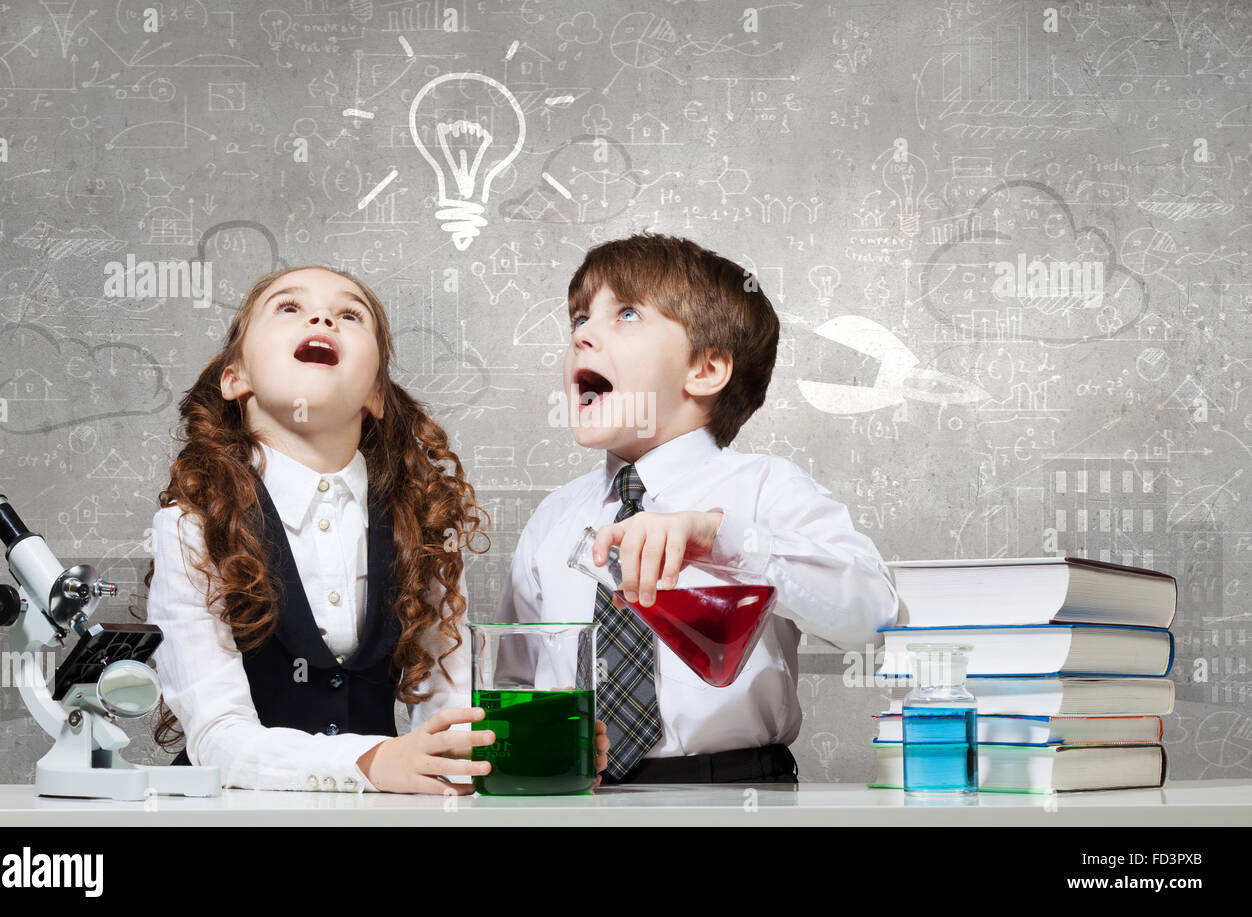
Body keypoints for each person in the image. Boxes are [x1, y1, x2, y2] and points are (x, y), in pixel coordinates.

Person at [145, 264, 607, 794]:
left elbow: (449, 708)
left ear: (376, 396)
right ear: (236, 378)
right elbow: (217, 738)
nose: (321, 317)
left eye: (350, 314)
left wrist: (519, 748)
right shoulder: (190, 527)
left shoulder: (422, 522)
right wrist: (368, 762)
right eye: (289, 308)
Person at [498, 233, 899, 785]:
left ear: (706, 370)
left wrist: (725, 540)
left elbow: (873, 616)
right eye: (579, 319)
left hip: (736, 796)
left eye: (627, 314)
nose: (583, 335)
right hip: (574, 795)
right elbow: (515, 676)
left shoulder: (766, 488)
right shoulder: (553, 518)